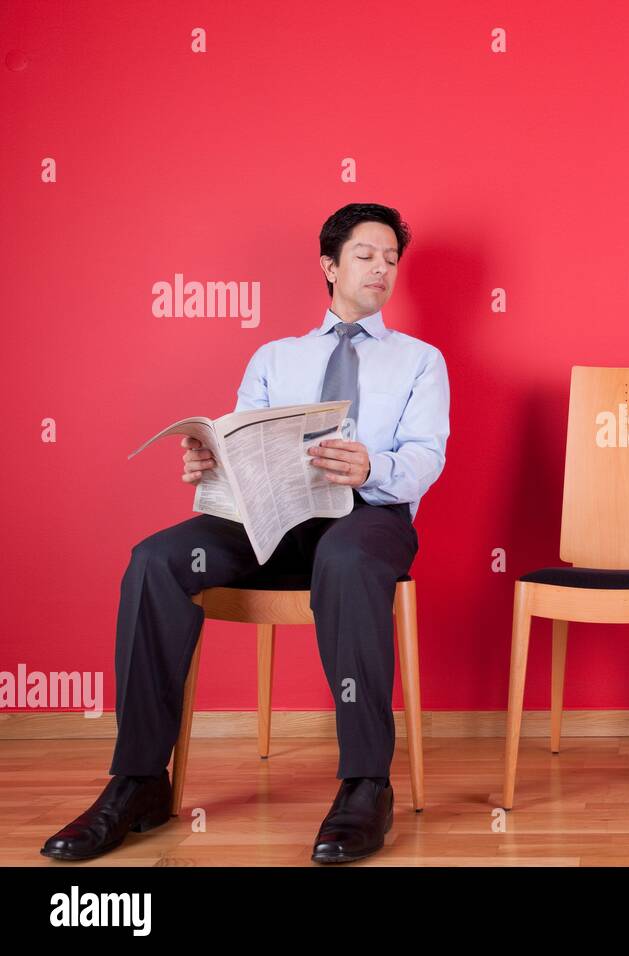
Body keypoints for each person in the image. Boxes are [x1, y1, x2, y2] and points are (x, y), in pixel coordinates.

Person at [40, 202, 450, 864]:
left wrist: (372, 464)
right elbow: (245, 446)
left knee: (345, 560)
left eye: (392, 260)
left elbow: (427, 458)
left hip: (367, 520)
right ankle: (139, 779)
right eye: (366, 255)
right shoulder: (276, 357)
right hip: (270, 522)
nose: (381, 269)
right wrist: (211, 461)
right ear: (329, 265)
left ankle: (365, 785)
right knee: (158, 557)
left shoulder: (421, 361)